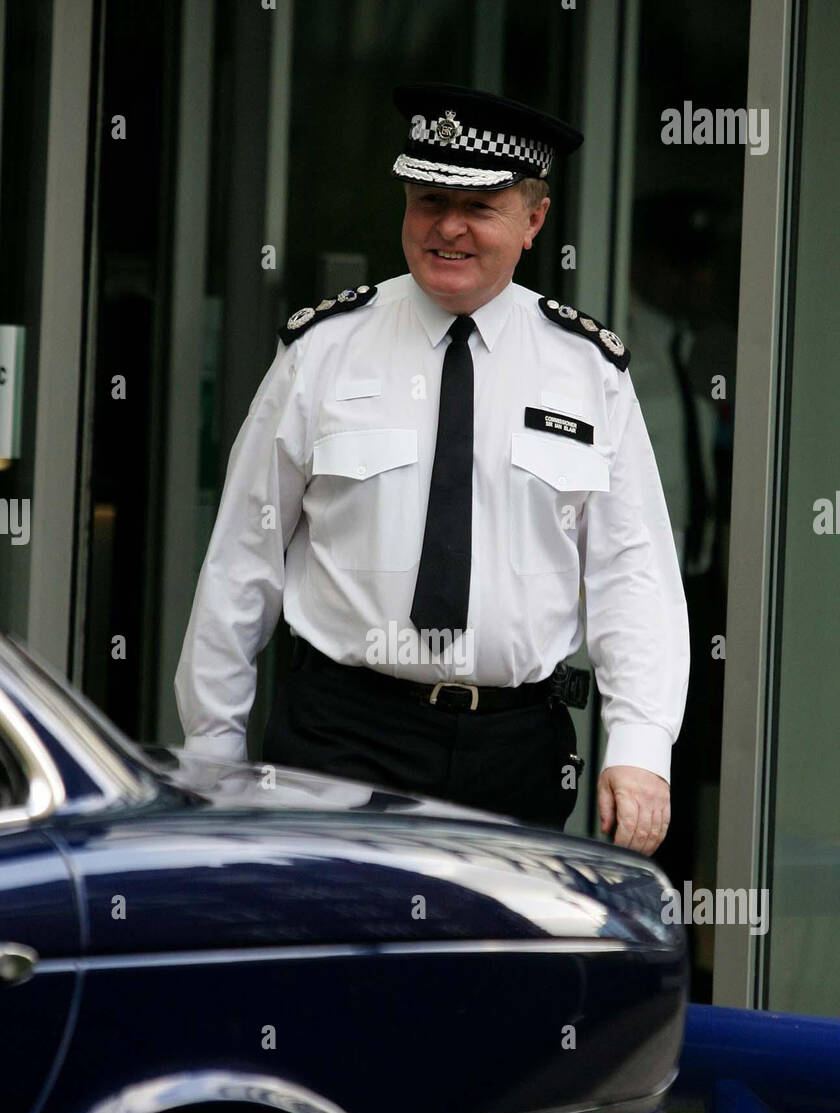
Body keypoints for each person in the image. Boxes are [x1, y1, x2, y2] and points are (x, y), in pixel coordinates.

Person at [175, 84, 689, 854]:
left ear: (533, 221)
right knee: (345, 968)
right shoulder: (323, 350)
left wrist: (642, 749)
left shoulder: (589, 371)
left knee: (495, 972)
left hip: (515, 747)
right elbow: (242, 560)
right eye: (427, 200)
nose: (448, 227)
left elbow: (633, 573)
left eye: (478, 207)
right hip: (342, 739)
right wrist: (212, 750)